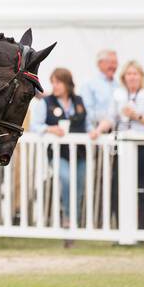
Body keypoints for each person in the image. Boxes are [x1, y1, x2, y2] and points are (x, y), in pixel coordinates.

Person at [95, 59, 144, 226]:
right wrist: (98, 130)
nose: (132, 77)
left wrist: (136, 116)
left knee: (142, 186)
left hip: (143, 146)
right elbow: (110, 118)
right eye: (129, 74)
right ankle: (121, 225)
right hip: (121, 146)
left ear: (141, 76)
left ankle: (143, 226)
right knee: (118, 185)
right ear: (124, 77)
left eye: (135, 74)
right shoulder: (118, 95)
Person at [38, 68, 87, 227]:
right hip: (58, 151)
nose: (55, 86)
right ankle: (67, 216)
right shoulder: (46, 102)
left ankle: (75, 221)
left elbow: (87, 122)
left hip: (80, 151)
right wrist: (50, 129)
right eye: (53, 82)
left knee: (79, 187)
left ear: (67, 83)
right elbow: (35, 126)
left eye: (58, 82)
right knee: (66, 178)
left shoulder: (79, 101)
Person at [80, 49, 119, 133]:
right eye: (111, 62)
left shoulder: (118, 85)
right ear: (99, 63)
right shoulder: (89, 84)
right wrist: (93, 131)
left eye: (115, 63)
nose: (114, 66)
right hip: (95, 133)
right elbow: (87, 110)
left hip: (115, 133)